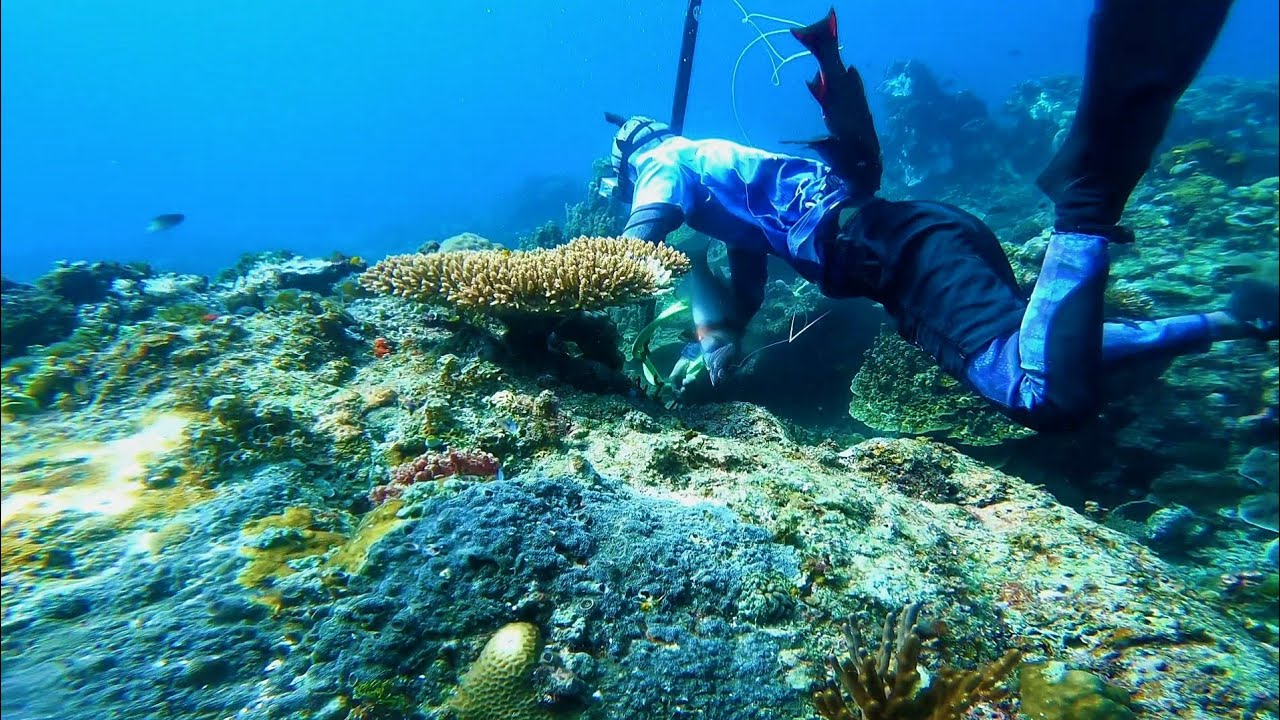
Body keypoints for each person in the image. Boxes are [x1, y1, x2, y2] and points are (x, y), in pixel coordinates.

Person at [601, 0, 1277, 431]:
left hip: (895, 254)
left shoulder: (667, 165)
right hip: (916, 236)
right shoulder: (714, 163)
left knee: (1036, 389)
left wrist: (576, 301)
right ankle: (1227, 321)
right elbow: (746, 259)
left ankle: (1088, 202)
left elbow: (635, 248)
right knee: (1037, 352)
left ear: (632, 161)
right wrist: (721, 340)